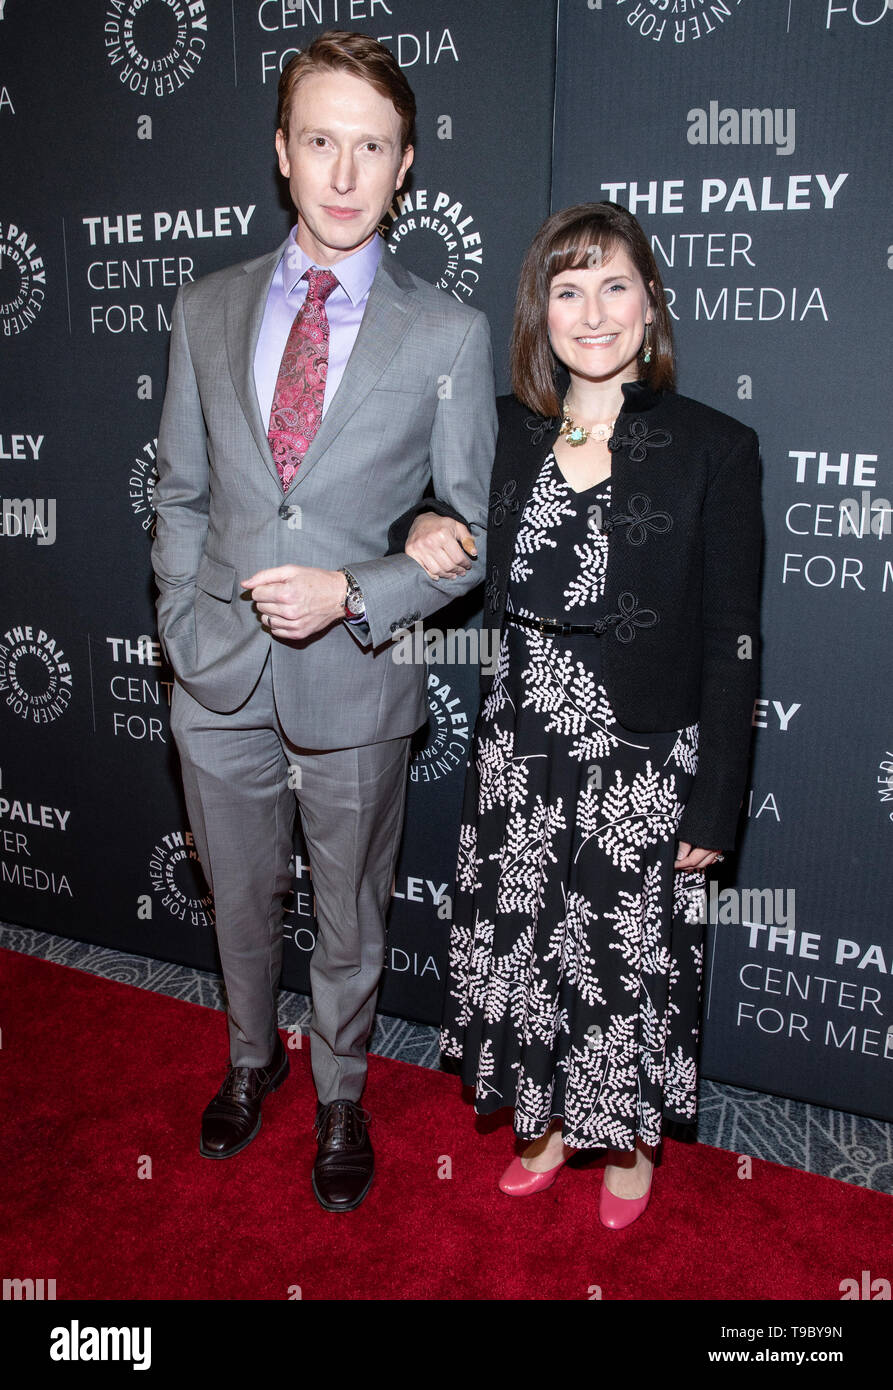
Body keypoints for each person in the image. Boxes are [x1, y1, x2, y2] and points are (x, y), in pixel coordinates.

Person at [150, 29, 494, 1213]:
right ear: (282, 155)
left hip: (357, 674)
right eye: (320, 142)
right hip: (216, 674)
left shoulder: (444, 333)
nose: (345, 174)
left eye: (372, 147)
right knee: (237, 894)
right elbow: (182, 494)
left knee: (351, 905)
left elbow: (471, 532)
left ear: (404, 169)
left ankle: (340, 1089)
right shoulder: (205, 307)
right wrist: (181, 634)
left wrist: (360, 590)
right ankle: (251, 1061)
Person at [424, 201, 762, 1229]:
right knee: (523, 945)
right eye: (567, 289)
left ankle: (626, 1142)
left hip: (640, 760)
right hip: (518, 751)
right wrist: (427, 519)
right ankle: (545, 1122)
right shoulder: (502, 427)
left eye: (614, 284)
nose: (592, 310)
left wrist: (715, 801)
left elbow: (731, 637)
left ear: (650, 304)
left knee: (623, 957)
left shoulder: (713, 445)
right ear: (540, 312)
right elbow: (424, 509)